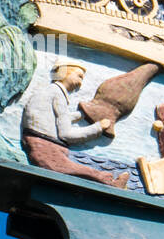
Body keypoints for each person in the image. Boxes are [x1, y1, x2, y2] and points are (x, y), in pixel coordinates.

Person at [20, 59, 129, 188]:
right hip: (44, 148)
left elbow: (54, 118)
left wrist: (81, 114)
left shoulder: (50, 91)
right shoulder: (58, 95)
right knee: (85, 171)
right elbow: (67, 135)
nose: (80, 83)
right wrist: (98, 127)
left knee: (78, 169)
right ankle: (112, 182)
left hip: (42, 144)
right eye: (79, 76)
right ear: (64, 73)